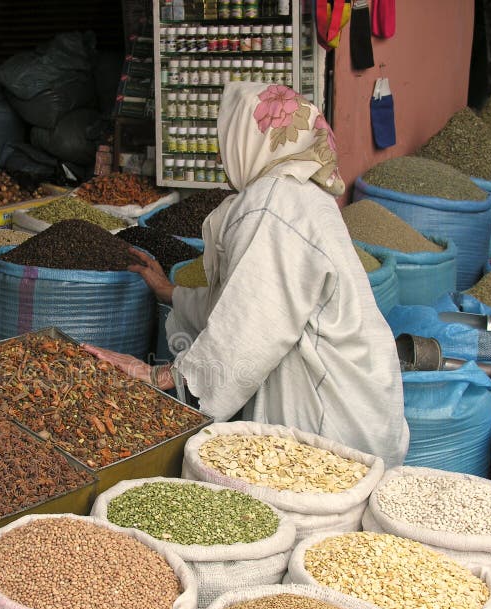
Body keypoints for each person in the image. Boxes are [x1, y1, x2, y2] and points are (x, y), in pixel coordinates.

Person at [84, 81, 409, 469]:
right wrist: (172, 293)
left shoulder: (273, 204)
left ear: (247, 139)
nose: (221, 154)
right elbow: (246, 301)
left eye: (226, 137)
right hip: (362, 411)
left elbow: (249, 330)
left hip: (332, 425)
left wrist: (159, 376)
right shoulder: (301, 196)